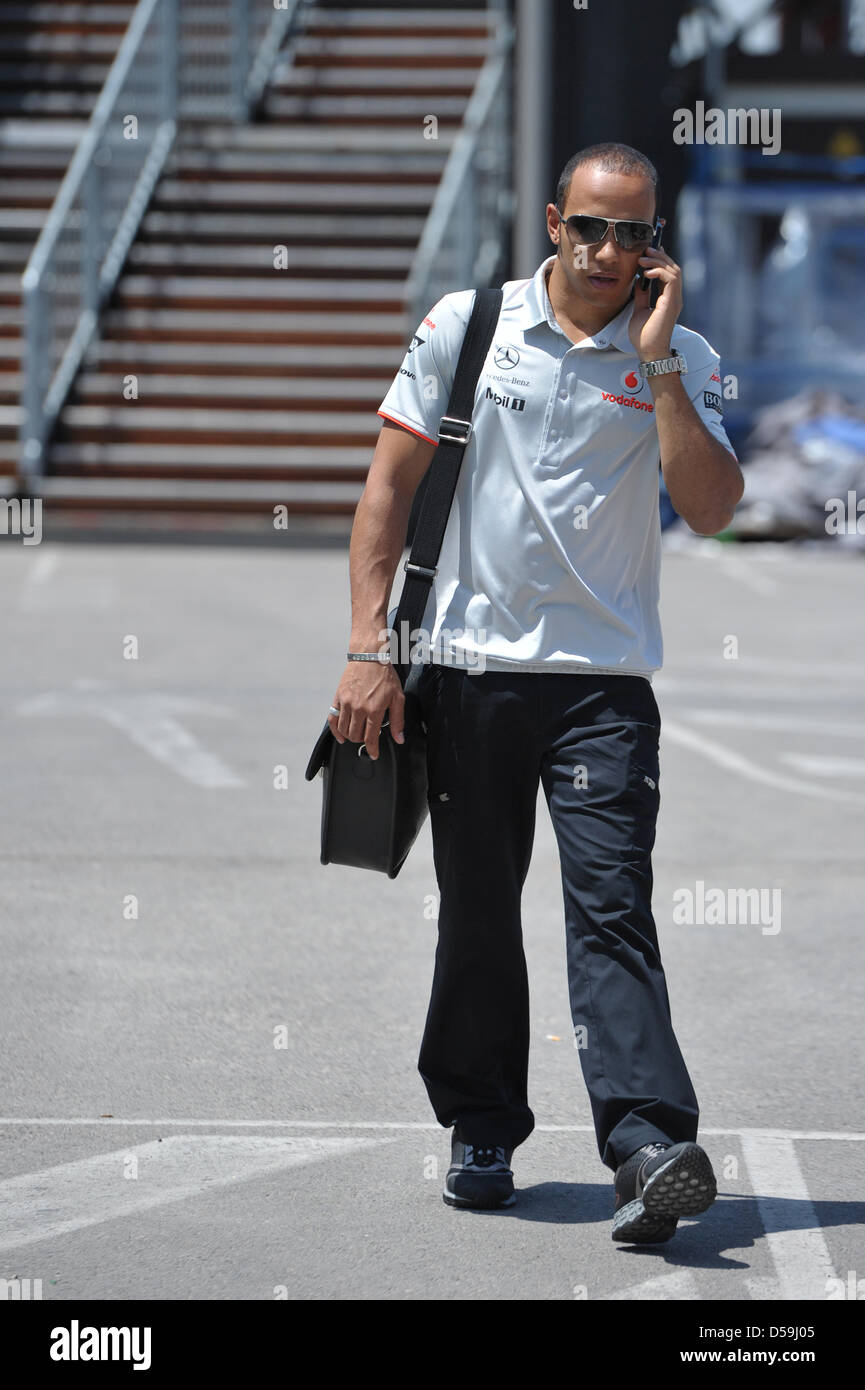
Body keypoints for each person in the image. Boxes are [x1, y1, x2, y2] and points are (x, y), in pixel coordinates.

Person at [326, 142, 744, 1244]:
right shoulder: (467, 328)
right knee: (474, 911)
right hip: (467, 677)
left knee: (613, 912)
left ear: (657, 244)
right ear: (553, 221)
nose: (612, 252)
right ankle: (480, 1127)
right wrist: (370, 647)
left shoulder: (680, 355)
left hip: (603, 686)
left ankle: (650, 1144)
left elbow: (709, 507)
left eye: (636, 233)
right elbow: (386, 490)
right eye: (592, 228)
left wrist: (653, 366)